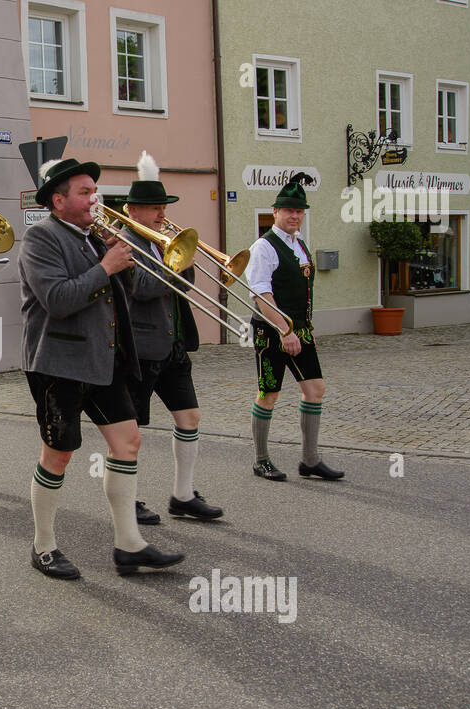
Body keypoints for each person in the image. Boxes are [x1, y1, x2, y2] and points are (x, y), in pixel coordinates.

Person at [18, 157, 184, 581]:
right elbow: (57, 299)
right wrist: (105, 266)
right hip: (59, 362)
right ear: (58, 200)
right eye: (85, 192)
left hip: (105, 359)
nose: (96, 198)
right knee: (58, 455)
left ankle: (129, 544)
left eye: (95, 190)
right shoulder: (41, 238)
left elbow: (133, 290)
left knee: (128, 442)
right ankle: (43, 546)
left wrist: (131, 262)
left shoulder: (96, 237)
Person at [120, 152, 222, 523]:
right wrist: (172, 261)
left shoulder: (162, 241)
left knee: (190, 417)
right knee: (131, 432)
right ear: (133, 210)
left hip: (175, 344)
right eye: (153, 207)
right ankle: (127, 499)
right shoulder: (122, 243)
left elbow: (184, 288)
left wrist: (184, 260)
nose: (162, 213)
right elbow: (143, 288)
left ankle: (182, 494)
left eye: (163, 206)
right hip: (143, 348)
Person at [246, 174, 344, 482]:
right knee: (269, 393)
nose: (294, 215)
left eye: (299, 211)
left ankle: (310, 460)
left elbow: (303, 290)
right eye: (288, 210)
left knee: (315, 390)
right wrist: (285, 330)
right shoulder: (263, 247)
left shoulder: (299, 243)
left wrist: (305, 325)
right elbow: (261, 294)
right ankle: (261, 460)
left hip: (299, 329)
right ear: (274, 212)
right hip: (271, 331)